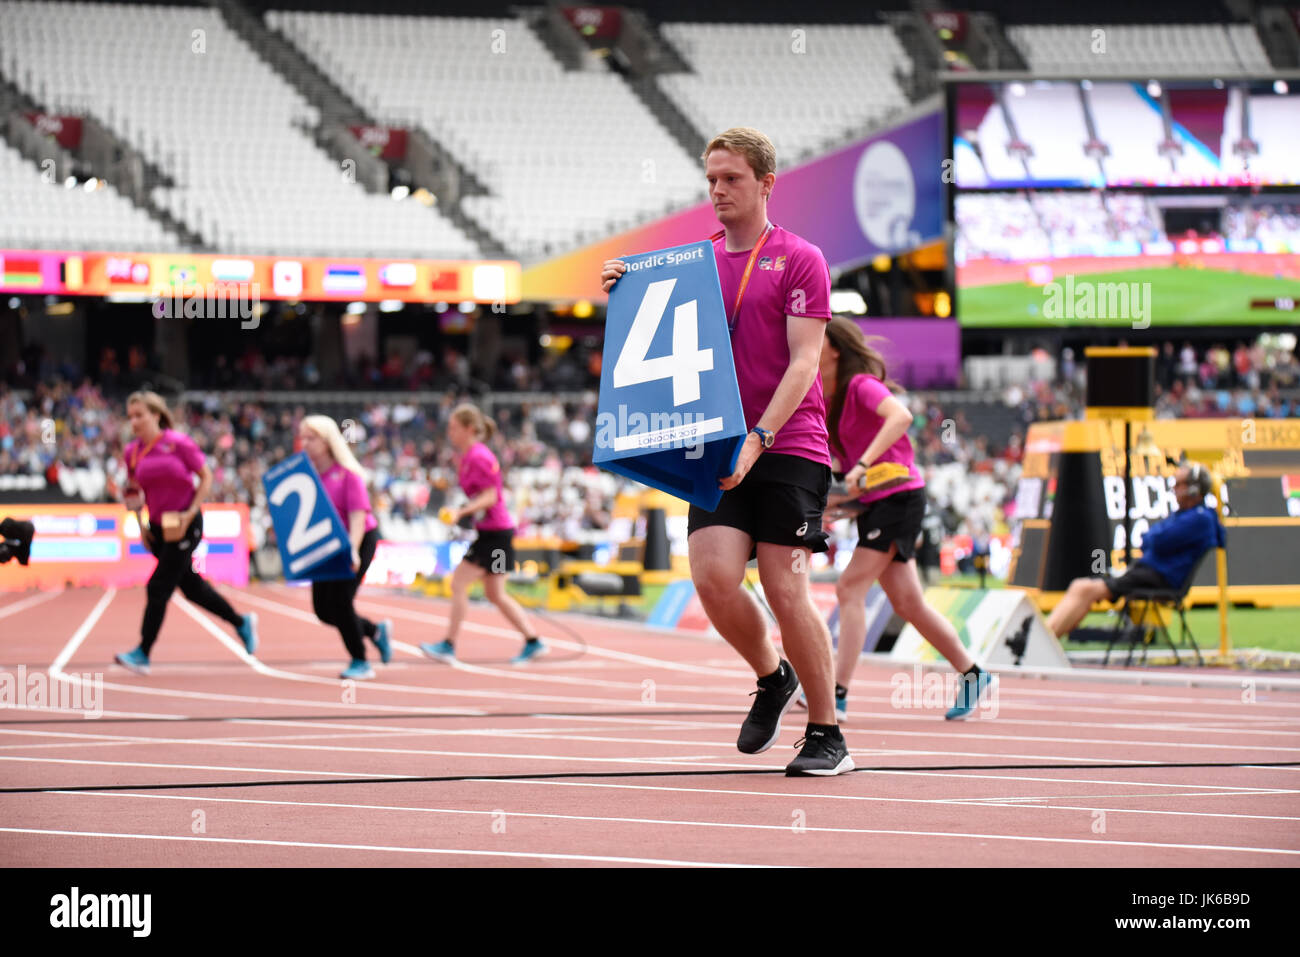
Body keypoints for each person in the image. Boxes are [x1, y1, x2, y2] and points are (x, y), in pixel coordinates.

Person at [601, 127, 850, 775]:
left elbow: (804, 364)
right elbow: (657, 336)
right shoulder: (691, 263)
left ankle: (829, 734)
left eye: (731, 178)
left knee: (785, 586)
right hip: (718, 444)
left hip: (789, 444)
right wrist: (630, 287)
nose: (717, 190)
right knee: (712, 578)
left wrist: (759, 436)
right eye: (711, 178)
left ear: (766, 182)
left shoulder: (801, 258)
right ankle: (773, 675)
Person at [819, 318, 997, 721]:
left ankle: (837, 693)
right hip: (875, 504)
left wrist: (863, 463)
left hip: (900, 498)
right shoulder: (825, 402)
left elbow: (899, 417)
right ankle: (973, 674)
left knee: (849, 589)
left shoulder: (861, 386)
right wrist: (836, 504)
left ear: (835, 350)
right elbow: (848, 471)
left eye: (816, 338)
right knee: (908, 603)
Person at [114, 391, 258, 675]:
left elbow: (205, 477)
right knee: (192, 589)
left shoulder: (178, 443)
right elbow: (133, 491)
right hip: (157, 528)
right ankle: (241, 622)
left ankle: (143, 652)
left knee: (158, 586)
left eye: (140, 415)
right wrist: (140, 523)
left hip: (185, 523)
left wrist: (191, 511)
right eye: (130, 417)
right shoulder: (132, 452)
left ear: (156, 415)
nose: (134, 422)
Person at [420, 403, 545, 665]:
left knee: (459, 583)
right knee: (495, 593)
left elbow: (490, 497)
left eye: (454, 427)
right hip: (493, 533)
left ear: (469, 429)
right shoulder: (466, 457)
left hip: (495, 534)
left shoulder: (479, 456)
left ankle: (448, 645)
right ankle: (533, 641)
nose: (449, 432)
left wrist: (460, 512)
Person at [1046, 462, 1222, 639]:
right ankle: (1046, 636)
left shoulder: (1199, 518)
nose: (1174, 490)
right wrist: (1153, 539)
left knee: (1084, 589)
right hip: (1148, 574)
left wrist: (1153, 539)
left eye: (1178, 485)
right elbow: (1148, 540)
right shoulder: (1185, 515)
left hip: (1158, 579)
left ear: (1193, 490)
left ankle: (1044, 639)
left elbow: (1156, 540)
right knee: (1081, 587)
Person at [298, 415, 393, 680]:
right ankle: (375, 631)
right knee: (323, 611)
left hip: (358, 541)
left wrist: (352, 549)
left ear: (328, 441)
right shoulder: (308, 477)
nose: (304, 442)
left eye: (311, 437)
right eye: (302, 437)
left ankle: (360, 661)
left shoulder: (348, 474)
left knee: (340, 602)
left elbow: (358, 516)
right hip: (327, 546)